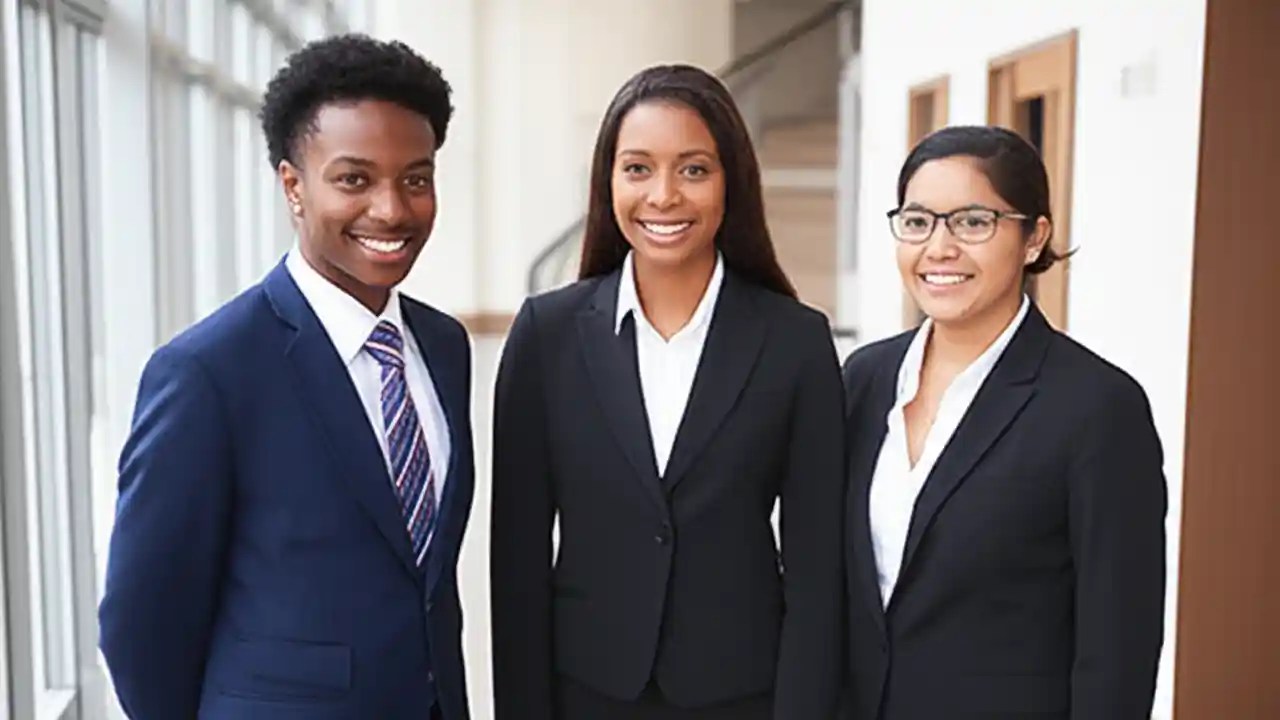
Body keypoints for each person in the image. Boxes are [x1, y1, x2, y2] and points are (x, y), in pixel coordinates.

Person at [98, 35, 473, 719]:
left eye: (415, 179)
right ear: (293, 186)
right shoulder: (208, 373)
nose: (392, 209)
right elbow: (140, 621)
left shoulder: (444, 347)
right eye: (354, 179)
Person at [489, 64, 845, 720]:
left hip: (742, 695)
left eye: (693, 169)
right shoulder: (546, 337)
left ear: (729, 180)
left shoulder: (796, 343)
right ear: (608, 181)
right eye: (637, 168)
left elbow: (819, 575)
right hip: (586, 694)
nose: (663, 196)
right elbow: (515, 567)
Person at [840, 125, 1166, 719]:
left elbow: (1118, 645)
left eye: (972, 222)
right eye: (918, 222)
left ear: (1033, 237)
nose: (939, 247)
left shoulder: (1097, 407)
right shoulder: (864, 380)